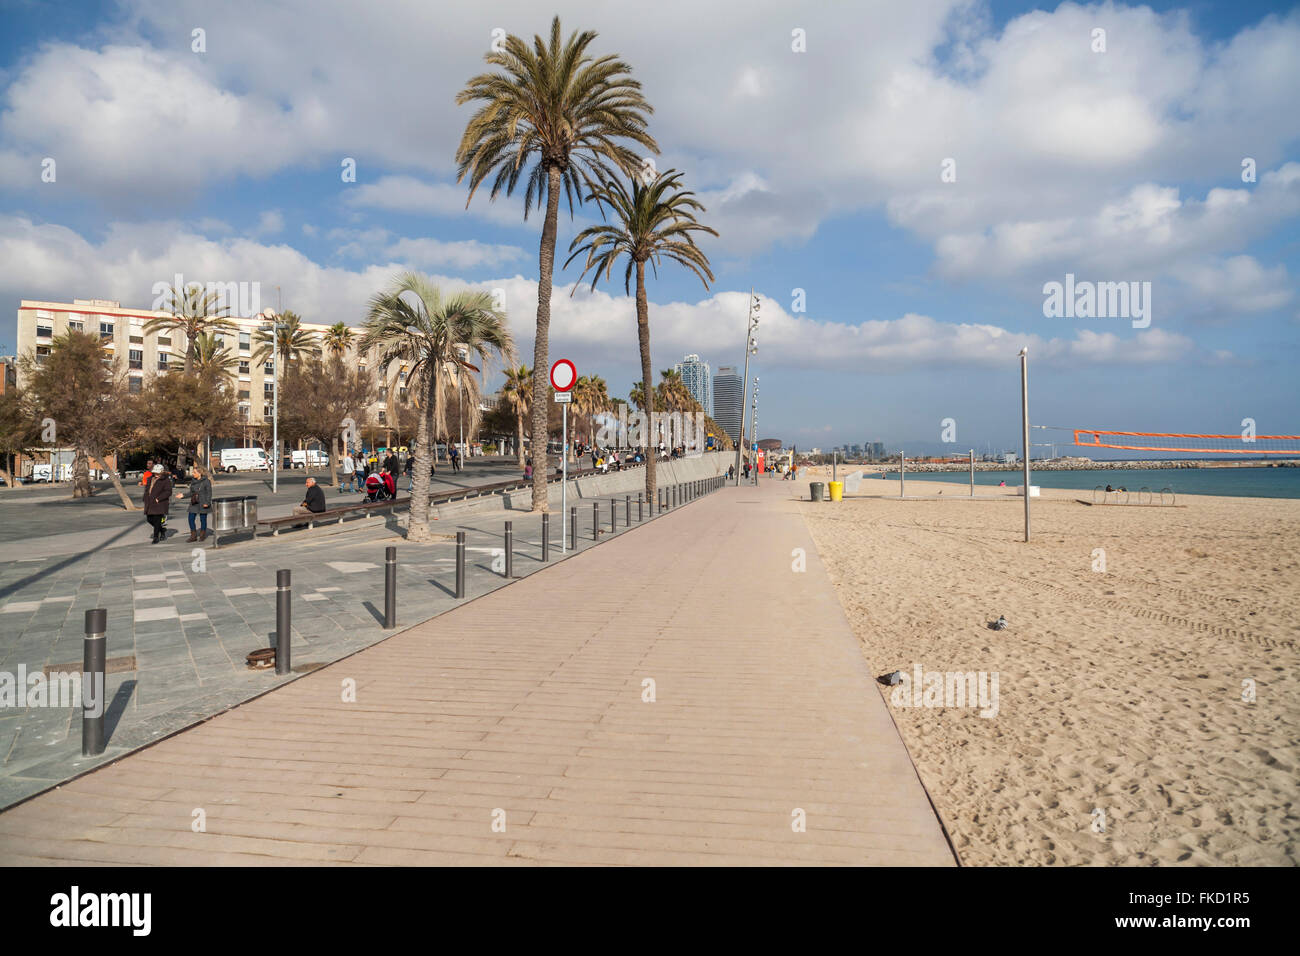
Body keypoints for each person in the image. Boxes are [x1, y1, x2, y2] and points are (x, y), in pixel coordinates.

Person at [177, 464, 212, 542]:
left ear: (199, 473)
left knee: (203, 519)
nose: (192, 474)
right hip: (194, 502)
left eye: (194, 472)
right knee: (191, 518)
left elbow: (209, 493)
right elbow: (191, 493)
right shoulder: (193, 481)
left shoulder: (206, 481)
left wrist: (207, 502)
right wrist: (183, 495)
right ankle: (193, 535)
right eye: (193, 472)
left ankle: (202, 534)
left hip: (203, 502)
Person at [143, 463, 173, 543]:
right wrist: (145, 498)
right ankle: (162, 530)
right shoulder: (150, 478)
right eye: (155, 472)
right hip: (150, 502)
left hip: (159, 503)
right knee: (149, 519)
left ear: (162, 472)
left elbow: (168, 491)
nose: (156, 474)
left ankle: (156, 537)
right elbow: (147, 489)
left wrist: (159, 498)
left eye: (158, 473)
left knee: (157, 520)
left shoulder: (165, 480)